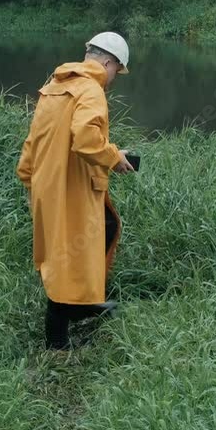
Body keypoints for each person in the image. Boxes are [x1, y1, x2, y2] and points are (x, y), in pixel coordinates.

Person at [16, 32, 136, 350]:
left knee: (99, 232)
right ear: (108, 63)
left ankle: (86, 303)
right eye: (116, 71)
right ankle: (58, 342)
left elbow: (33, 140)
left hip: (46, 187)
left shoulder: (54, 87)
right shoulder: (91, 90)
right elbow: (85, 138)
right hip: (71, 190)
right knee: (67, 258)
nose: (114, 79)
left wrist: (27, 179)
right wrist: (114, 158)